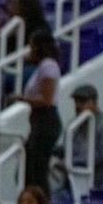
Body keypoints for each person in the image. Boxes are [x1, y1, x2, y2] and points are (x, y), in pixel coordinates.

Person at [21, 30, 63, 193]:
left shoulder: (48, 66)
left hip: (45, 120)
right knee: (31, 168)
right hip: (39, 121)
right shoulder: (43, 66)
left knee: (37, 170)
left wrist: (21, 99)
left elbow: (46, 100)